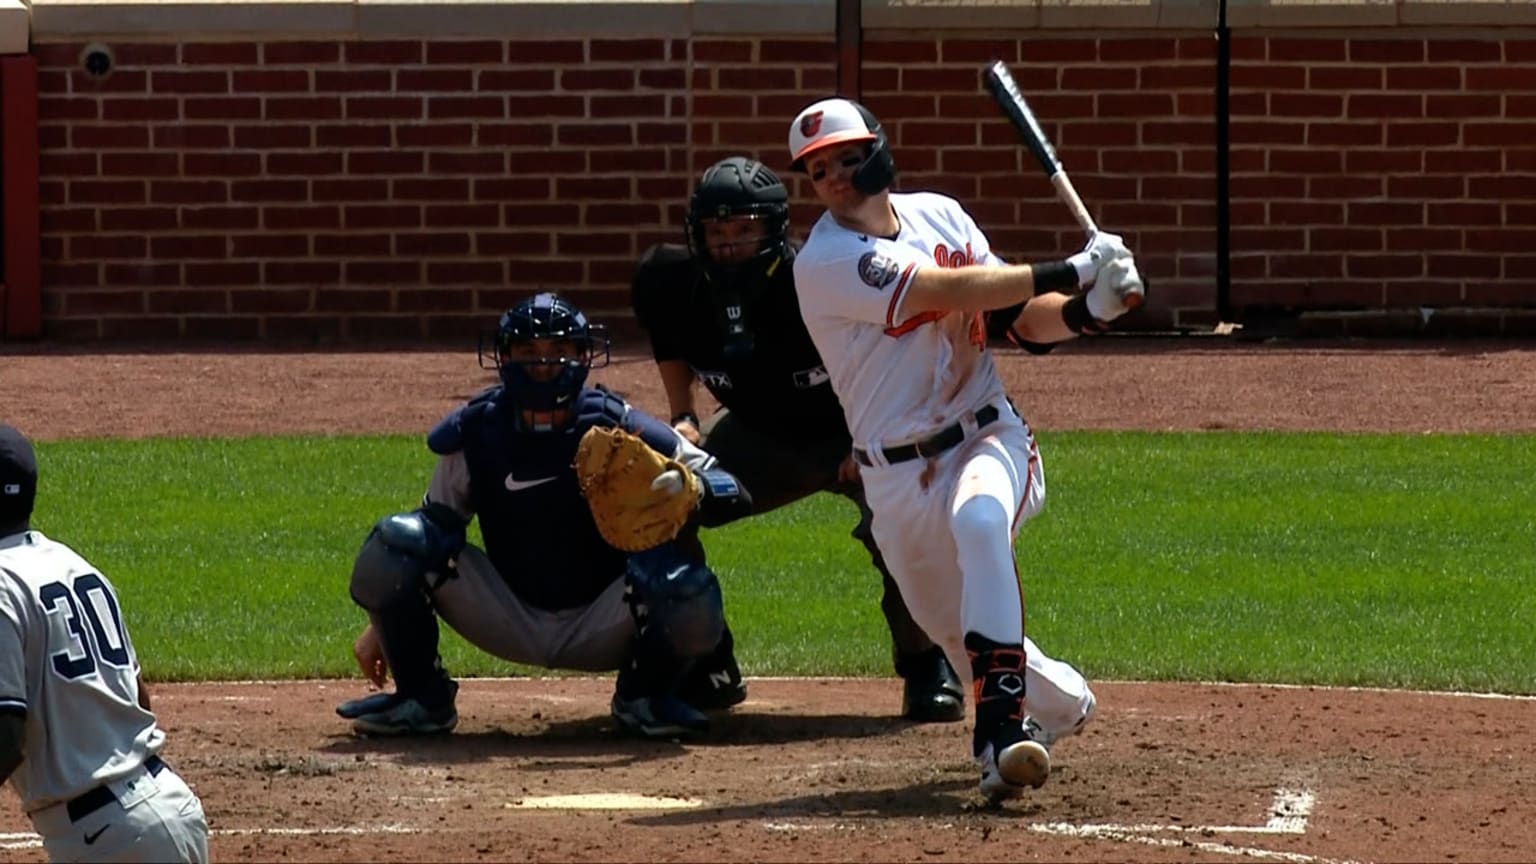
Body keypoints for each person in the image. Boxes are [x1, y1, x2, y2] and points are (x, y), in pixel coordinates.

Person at [785, 97, 1145, 801]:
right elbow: (943, 289)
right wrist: (1073, 269)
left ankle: (1000, 737)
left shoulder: (942, 215)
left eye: (846, 158)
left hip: (986, 432)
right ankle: (1062, 705)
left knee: (979, 522)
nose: (832, 177)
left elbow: (1018, 321)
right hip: (892, 476)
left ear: (880, 152)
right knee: (954, 637)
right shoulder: (825, 261)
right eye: (817, 169)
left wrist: (1089, 312)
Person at [629, 155, 966, 723]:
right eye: (717, 232)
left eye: (744, 231)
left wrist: (865, 444)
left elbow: (899, 362)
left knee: (899, 520)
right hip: (761, 436)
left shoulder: (822, 275)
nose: (730, 244)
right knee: (657, 495)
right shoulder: (667, 281)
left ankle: (926, 661)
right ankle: (707, 659)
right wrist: (683, 416)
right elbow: (672, 343)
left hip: (858, 430)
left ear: (774, 230)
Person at [336, 292, 754, 740]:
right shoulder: (478, 428)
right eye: (528, 352)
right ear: (504, 356)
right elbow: (428, 537)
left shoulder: (617, 424)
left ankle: (645, 697)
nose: (544, 363)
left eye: (559, 351)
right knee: (394, 544)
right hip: (506, 613)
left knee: (685, 584)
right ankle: (422, 699)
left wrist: (693, 489)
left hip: (606, 616)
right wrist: (382, 628)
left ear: (582, 355)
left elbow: (734, 490)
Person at [0, 424, 209, 862]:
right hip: (163, 807)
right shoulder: (71, 563)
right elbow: (138, 697)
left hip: (110, 842)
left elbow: (6, 733)